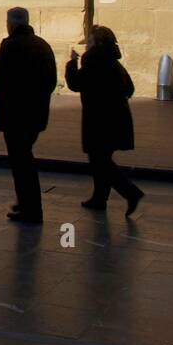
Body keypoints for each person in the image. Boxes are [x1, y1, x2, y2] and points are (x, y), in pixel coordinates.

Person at [65, 26, 144, 217]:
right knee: (101, 158)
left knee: (100, 161)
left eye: (89, 40)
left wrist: (72, 63)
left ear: (97, 43)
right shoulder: (114, 63)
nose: (87, 44)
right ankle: (99, 198)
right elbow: (130, 89)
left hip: (99, 120)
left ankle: (131, 192)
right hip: (117, 118)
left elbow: (76, 83)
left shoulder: (93, 60)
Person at [0, 7, 57, 224]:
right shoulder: (42, 45)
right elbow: (50, 81)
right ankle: (25, 203)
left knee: (21, 163)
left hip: (15, 115)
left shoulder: (10, 46)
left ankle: (32, 209)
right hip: (36, 114)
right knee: (24, 157)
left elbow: (0, 79)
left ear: (11, 24)